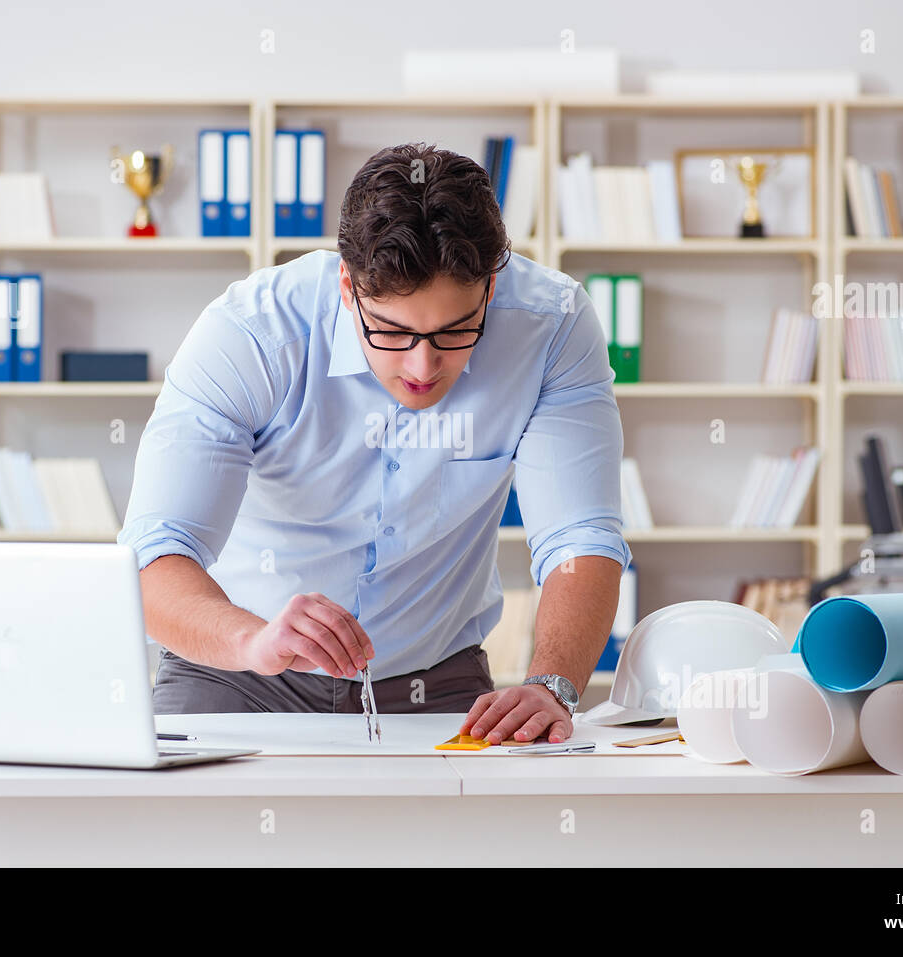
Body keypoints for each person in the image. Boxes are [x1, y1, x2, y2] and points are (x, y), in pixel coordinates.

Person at [118, 142, 630, 745]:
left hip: (434, 681)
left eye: (453, 330)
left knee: (458, 841)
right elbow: (153, 556)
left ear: (491, 289)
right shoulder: (251, 335)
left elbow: (580, 538)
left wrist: (553, 685)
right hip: (234, 669)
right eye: (392, 330)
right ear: (347, 286)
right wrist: (250, 641)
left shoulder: (552, 327)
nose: (422, 365)